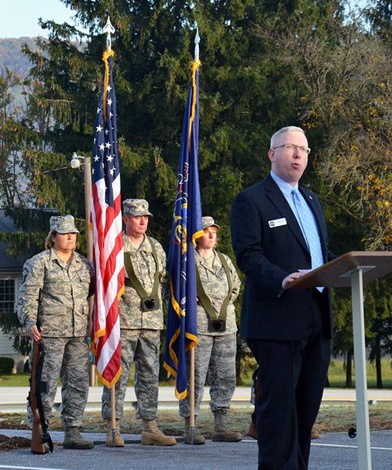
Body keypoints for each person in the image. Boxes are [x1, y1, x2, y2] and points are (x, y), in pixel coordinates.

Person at [230, 125, 333, 469]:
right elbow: (248, 254)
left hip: (316, 320)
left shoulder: (312, 201)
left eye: (304, 149)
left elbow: (320, 257)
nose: (298, 154)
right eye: (290, 147)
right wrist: (281, 278)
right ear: (272, 154)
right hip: (276, 322)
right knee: (279, 418)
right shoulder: (252, 200)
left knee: (304, 415)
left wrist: (349, 270)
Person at [102, 199, 177, 447]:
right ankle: (113, 425)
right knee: (118, 374)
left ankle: (150, 426)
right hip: (124, 321)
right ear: (125, 218)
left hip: (151, 322)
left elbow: (165, 281)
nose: (143, 220)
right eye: (137, 216)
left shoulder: (155, 247)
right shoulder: (115, 246)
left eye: (145, 216)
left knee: (149, 374)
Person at [16, 215, 95, 450]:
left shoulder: (85, 265)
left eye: (73, 233)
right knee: (45, 385)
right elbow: (27, 297)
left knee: (78, 383)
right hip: (49, 335)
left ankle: (73, 430)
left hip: (78, 334)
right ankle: (40, 430)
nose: (70, 237)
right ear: (53, 237)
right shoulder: (39, 263)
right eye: (64, 233)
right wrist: (30, 322)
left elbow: (90, 294)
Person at [179, 216, 242, 444]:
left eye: (214, 231)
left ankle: (221, 425)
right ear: (197, 235)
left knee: (225, 376)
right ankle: (190, 424)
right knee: (195, 377)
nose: (212, 235)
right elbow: (175, 291)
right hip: (199, 328)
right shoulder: (188, 262)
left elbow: (235, 286)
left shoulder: (224, 260)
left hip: (225, 327)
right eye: (207, 231)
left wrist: (221, 307)